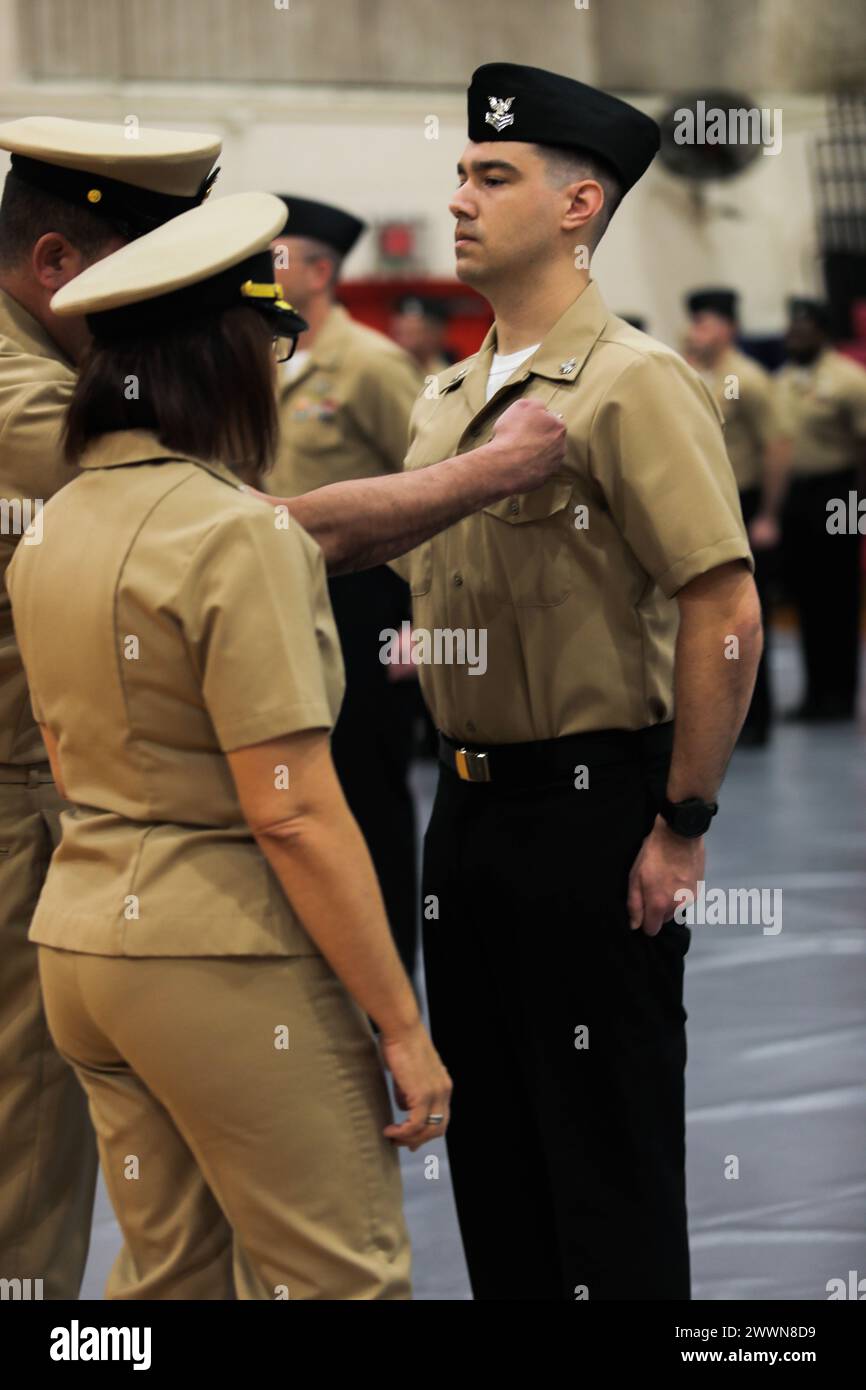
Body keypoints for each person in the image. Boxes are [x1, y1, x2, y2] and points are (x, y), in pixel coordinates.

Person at [7, 190, 566, 1299]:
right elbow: (292, 808)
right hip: (219, 951)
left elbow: (68, 759)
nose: (278, 366)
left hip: (80, 942)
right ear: (226, 359)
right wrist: (401, 1026)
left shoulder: (55, 523)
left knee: (173, 1276)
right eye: (271, 343)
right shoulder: (238, 535)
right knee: (340, 1275)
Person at [393, 62, 762, 1300]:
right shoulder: (446, 398)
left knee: (601, 1161)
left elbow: (723, 606)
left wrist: (682, 824)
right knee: (493, 1161)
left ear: (576, 204)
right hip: (469, 813)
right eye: (458, 171)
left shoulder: (631, 382)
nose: (457, 196)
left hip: (593, 817)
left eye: (490, 176)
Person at [0, 113, 221, 1300]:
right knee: (28, 1145)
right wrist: (476, 478)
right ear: (54, 268)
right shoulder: (25, 406)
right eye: (147, 282)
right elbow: (234, 536)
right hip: (24, 811)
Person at [267, 195, 423, 980]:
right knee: (298, 790)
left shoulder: (369, 363)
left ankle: (391, 965)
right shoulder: (269, 357)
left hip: (364, 604)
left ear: (322, 271)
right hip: (283, 605)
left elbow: (435, 486)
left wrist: (427, 616)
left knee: (369, 789)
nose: (268, 269)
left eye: (281, 256)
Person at [684, 287, 791, 745]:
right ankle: (717, 717)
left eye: (705, 323)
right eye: (694, 323)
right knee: (709, 617)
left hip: (742, 503)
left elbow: (778, 445)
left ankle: (756, 719)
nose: (695, 332)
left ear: (729, 329)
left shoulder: (747, 377)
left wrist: (768, 513)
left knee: (747, 614)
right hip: (705, 504)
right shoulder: (692, 374)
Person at [777, 297, 866, 721]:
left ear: (823, 332)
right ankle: (814, 694)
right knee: (807, 594)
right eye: (791, 328)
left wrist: (857, 510)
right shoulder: (785, 379)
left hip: (840, 494)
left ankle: (841, 695)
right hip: (798, 497)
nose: (794, 335)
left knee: (840, 594)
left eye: (803, 328)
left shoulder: (849, 379)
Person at [391, 294, 455, 377]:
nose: (403, 340)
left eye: (411, 333)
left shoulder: (452, 374)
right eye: (399, 333)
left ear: (436, 333)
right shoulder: (387, 371)